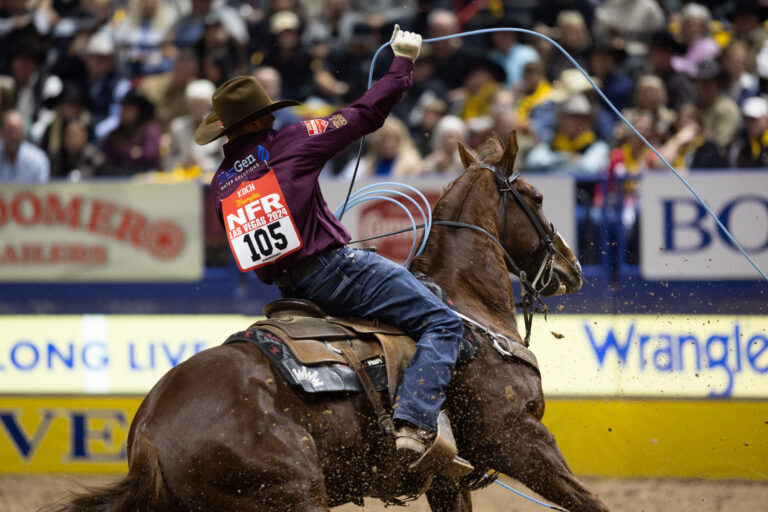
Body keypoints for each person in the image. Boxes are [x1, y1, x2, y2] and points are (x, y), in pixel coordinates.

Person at [197, 25, 465, 465]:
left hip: (288, 294)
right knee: (443, 322)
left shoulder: (221, 182)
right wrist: (402, 63)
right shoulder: (292, 140)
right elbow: (366, 113)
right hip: (336, 274)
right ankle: (416, 421)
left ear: (226, 131)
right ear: (265, 117)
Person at [0, 110, 50, 182]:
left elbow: (42, 191)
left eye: (17, 131)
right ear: (2, 132)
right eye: (10, 131)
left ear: (23, 133)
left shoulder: (38, 159)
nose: (14, 136)